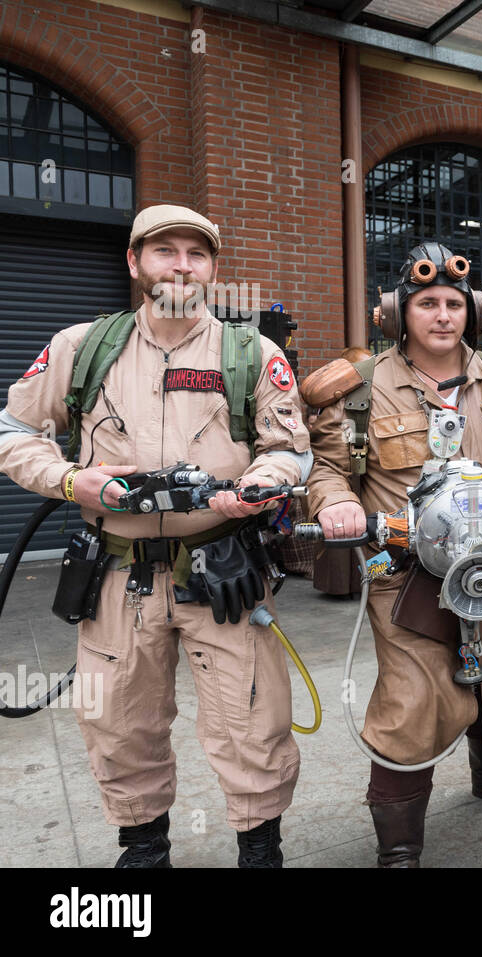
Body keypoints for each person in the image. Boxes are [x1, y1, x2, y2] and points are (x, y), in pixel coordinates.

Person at [0, 204, 310, 867]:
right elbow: (14, 433)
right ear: (135, 262)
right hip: (117, 575)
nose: (181, 264)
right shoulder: (82, 347)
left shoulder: (252, 351)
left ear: (213, 270)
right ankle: (144, 849)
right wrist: (69, 481)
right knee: (117, 721)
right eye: (164, 251)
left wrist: (256, 486)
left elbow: (292, 452)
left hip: (224, 568)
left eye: (196, 254)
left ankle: (260, 848)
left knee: (253, 718)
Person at [305, 241, 482, 867]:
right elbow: (326, 469)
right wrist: (333, 504)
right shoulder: (359, 389)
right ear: (397, 311)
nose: (442, 315)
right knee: (413, 704)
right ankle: (400, 847)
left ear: (475, 311)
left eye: (454, 304)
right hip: (406, 578)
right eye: (427, 303)